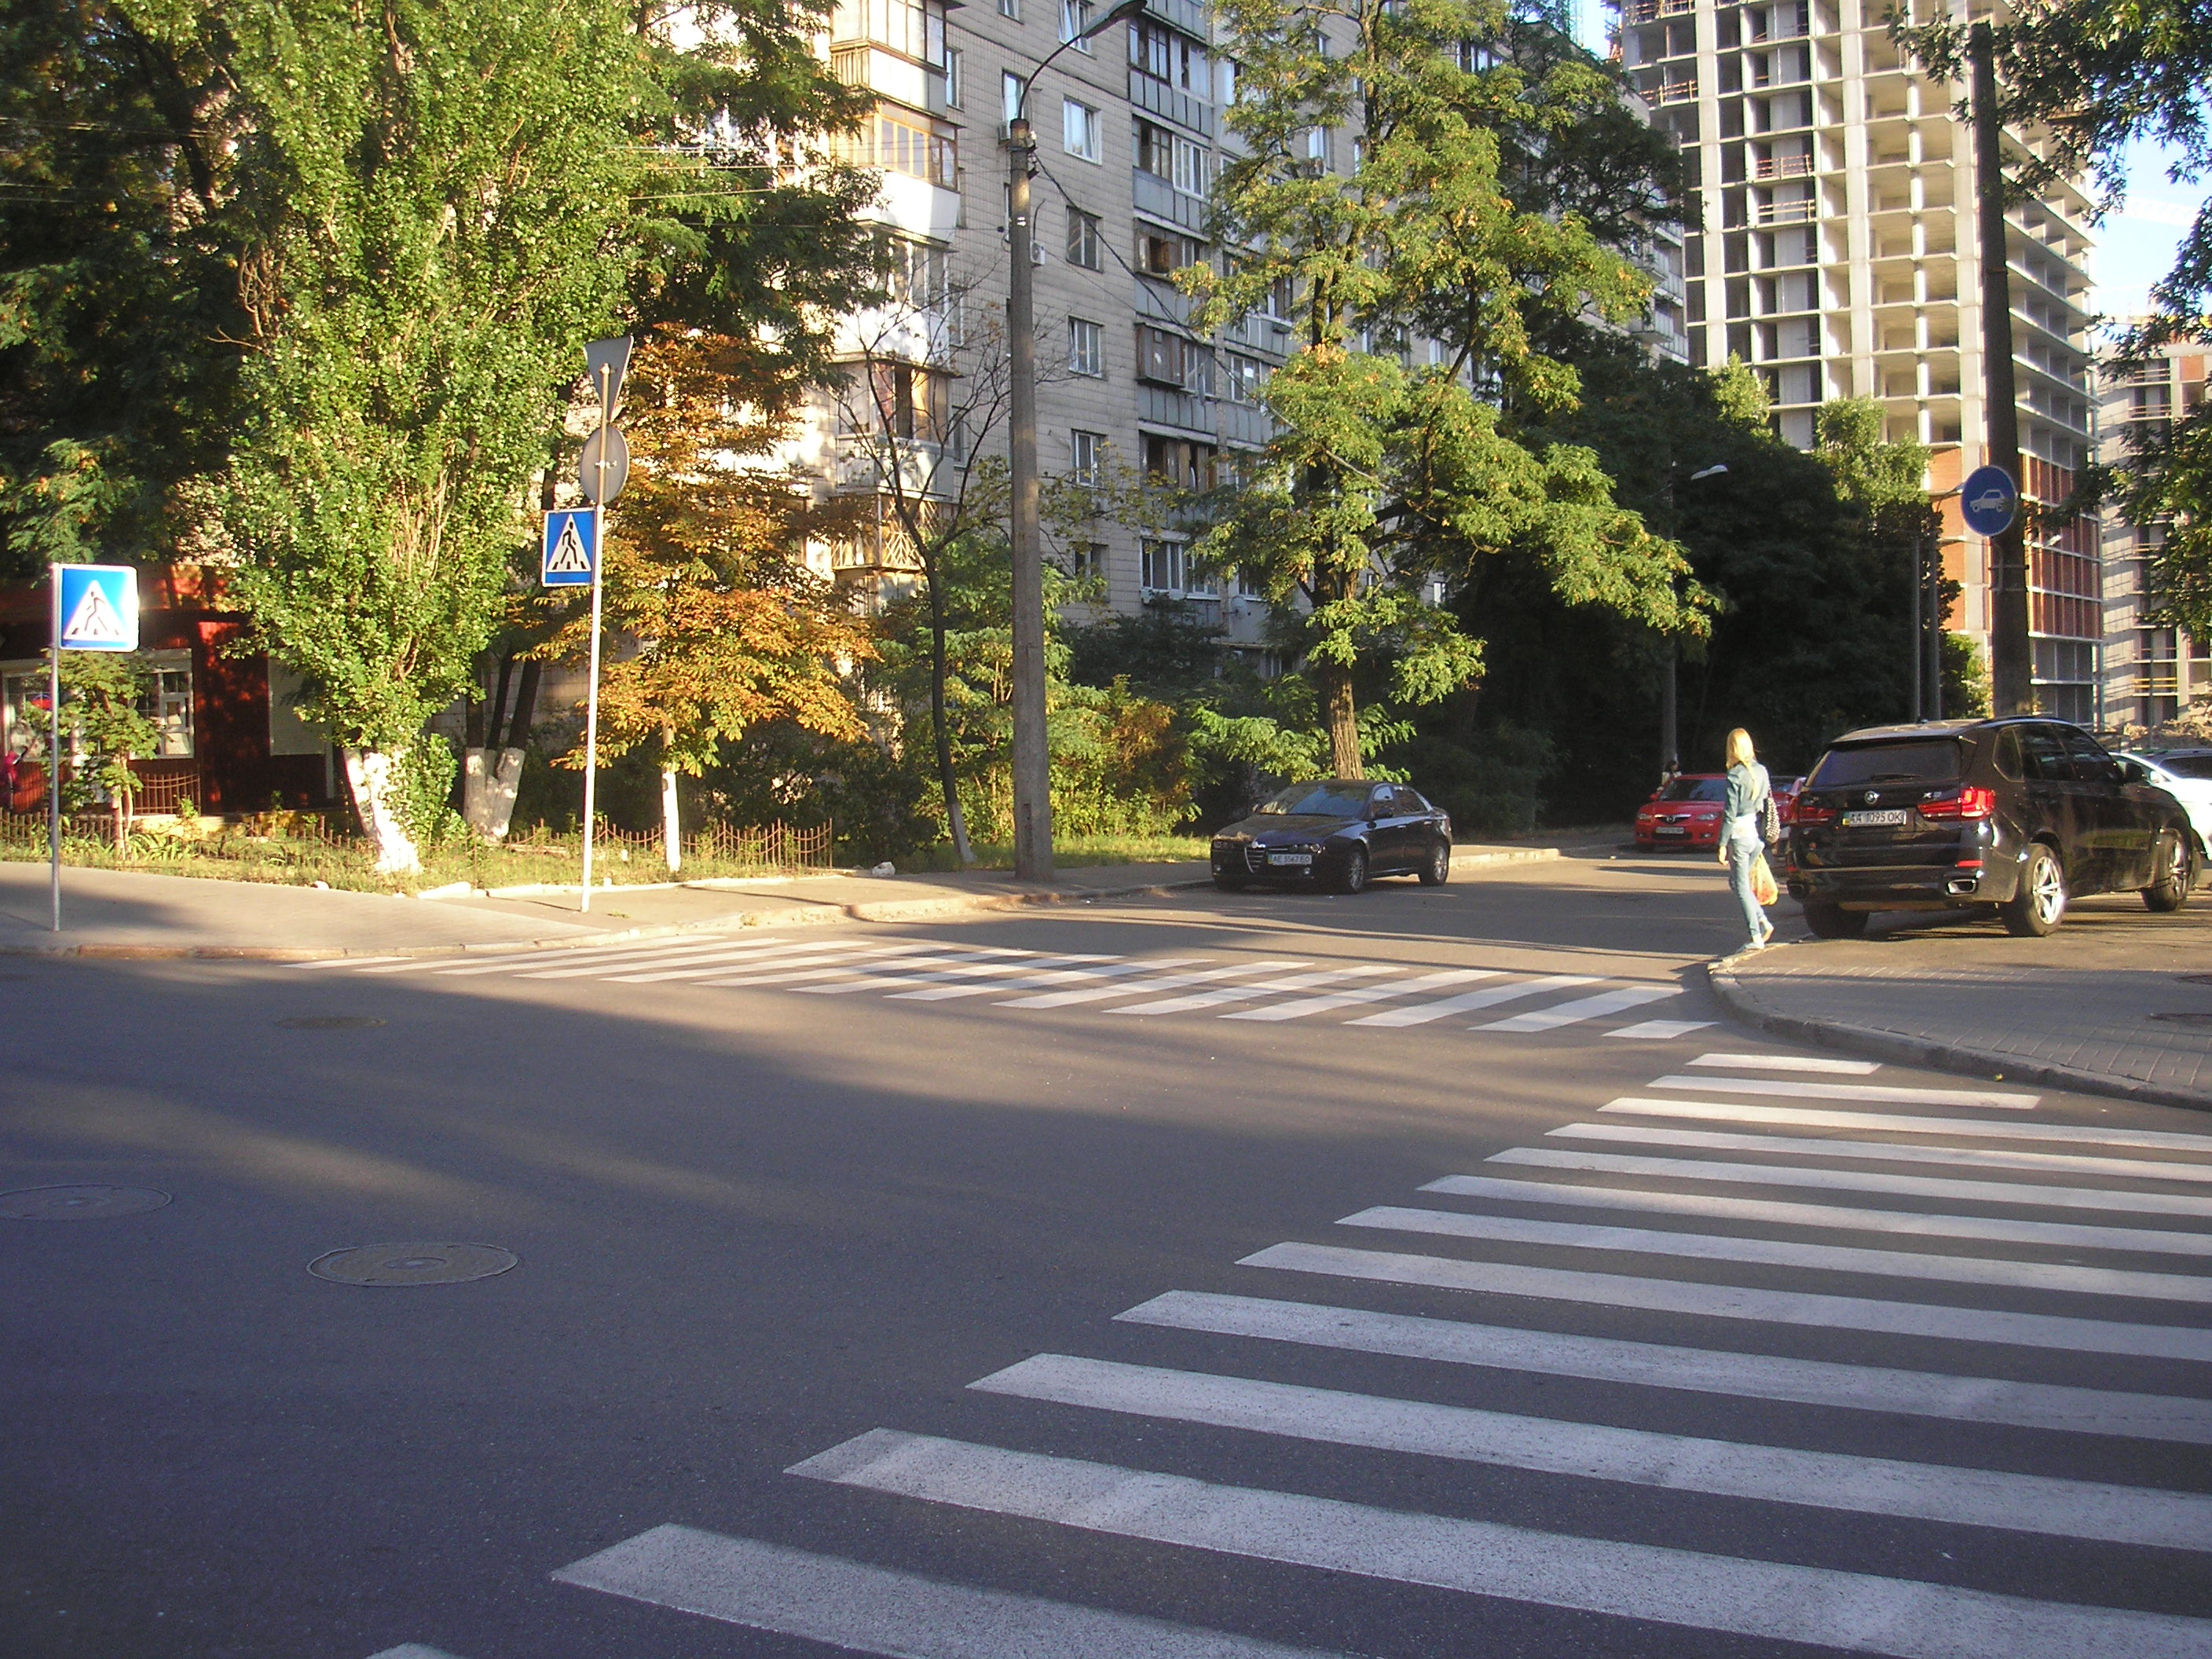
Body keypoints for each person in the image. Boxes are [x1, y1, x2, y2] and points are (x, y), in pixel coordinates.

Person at [1716, 727, 1774, 951]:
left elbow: (1729, 813)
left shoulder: (1734, 775)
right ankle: (1763, 922)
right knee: (1737, 883)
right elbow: (1762, 804)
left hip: (1739, 838)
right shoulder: (1762, 771)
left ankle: (1756, 936)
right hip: (1754, 837)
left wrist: (1721, 844)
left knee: (1740, 886)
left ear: (1732, 749)